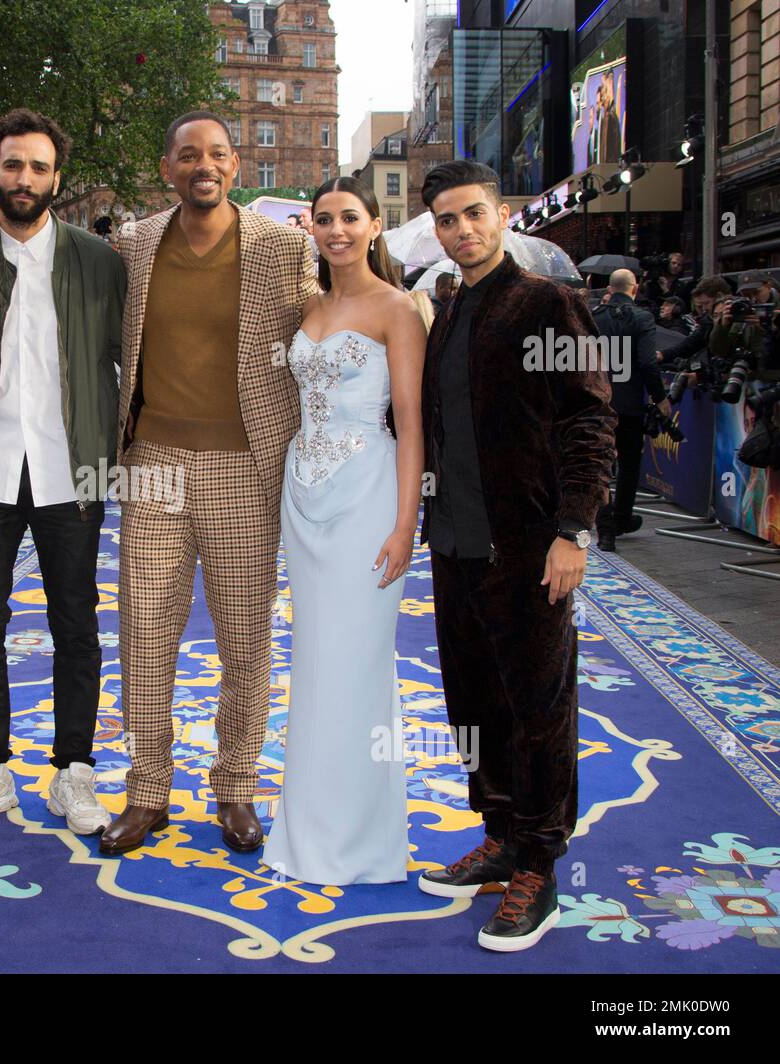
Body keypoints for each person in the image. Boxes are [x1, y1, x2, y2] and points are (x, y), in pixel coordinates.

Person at [99, 110, 319, 856]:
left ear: (235, 164)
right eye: (187, 153)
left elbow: (328, 331)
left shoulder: (286, 247)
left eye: (218, 154)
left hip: (245, 468)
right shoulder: (130, 245)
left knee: (245, 641)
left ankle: (235, 788)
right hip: (153, 464)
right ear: (167, 168)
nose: (204, 164)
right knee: (145, 634)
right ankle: (147, 790)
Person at [415, 159, 616, 951]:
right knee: (474, 699)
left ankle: (539, 860)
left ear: (503, 216)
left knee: (538, 706)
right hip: (457, 540)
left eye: (472, 214)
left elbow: (589, 422)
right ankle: (500, 834)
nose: (460, 229)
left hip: (531, 542)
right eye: (446, 219)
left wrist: (574, 530)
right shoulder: (450, 307)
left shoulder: (547, 303)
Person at [0, 109, 126, 835]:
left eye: (39, 167)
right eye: (14, 165)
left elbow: (124, 365)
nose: (26, 179)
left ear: (56, 178)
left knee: (76, 622)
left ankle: (73, 770)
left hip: (72, 473)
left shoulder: (100, 264)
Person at [260, 176, 427, 886]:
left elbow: (413, 425)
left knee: (357, 665)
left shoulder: (399, 309)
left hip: (368, 499)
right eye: (324, 219)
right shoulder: (308, 304)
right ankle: (305, 827)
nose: (336, 230)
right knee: (314, 665)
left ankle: (360, 839)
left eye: (349, 218)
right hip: (304, 498)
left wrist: (405, 521)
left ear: (374, 225)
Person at [593, 269, 669, 552]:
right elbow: (648, 363)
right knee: (628, 465)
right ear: (634, 289)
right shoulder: (642, 318)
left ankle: (607, 528)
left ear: (610, 290)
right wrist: (660, 397)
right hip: (628, 405)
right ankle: (622, 517)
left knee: (599, 465)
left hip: (598, 403)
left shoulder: (595, 317)